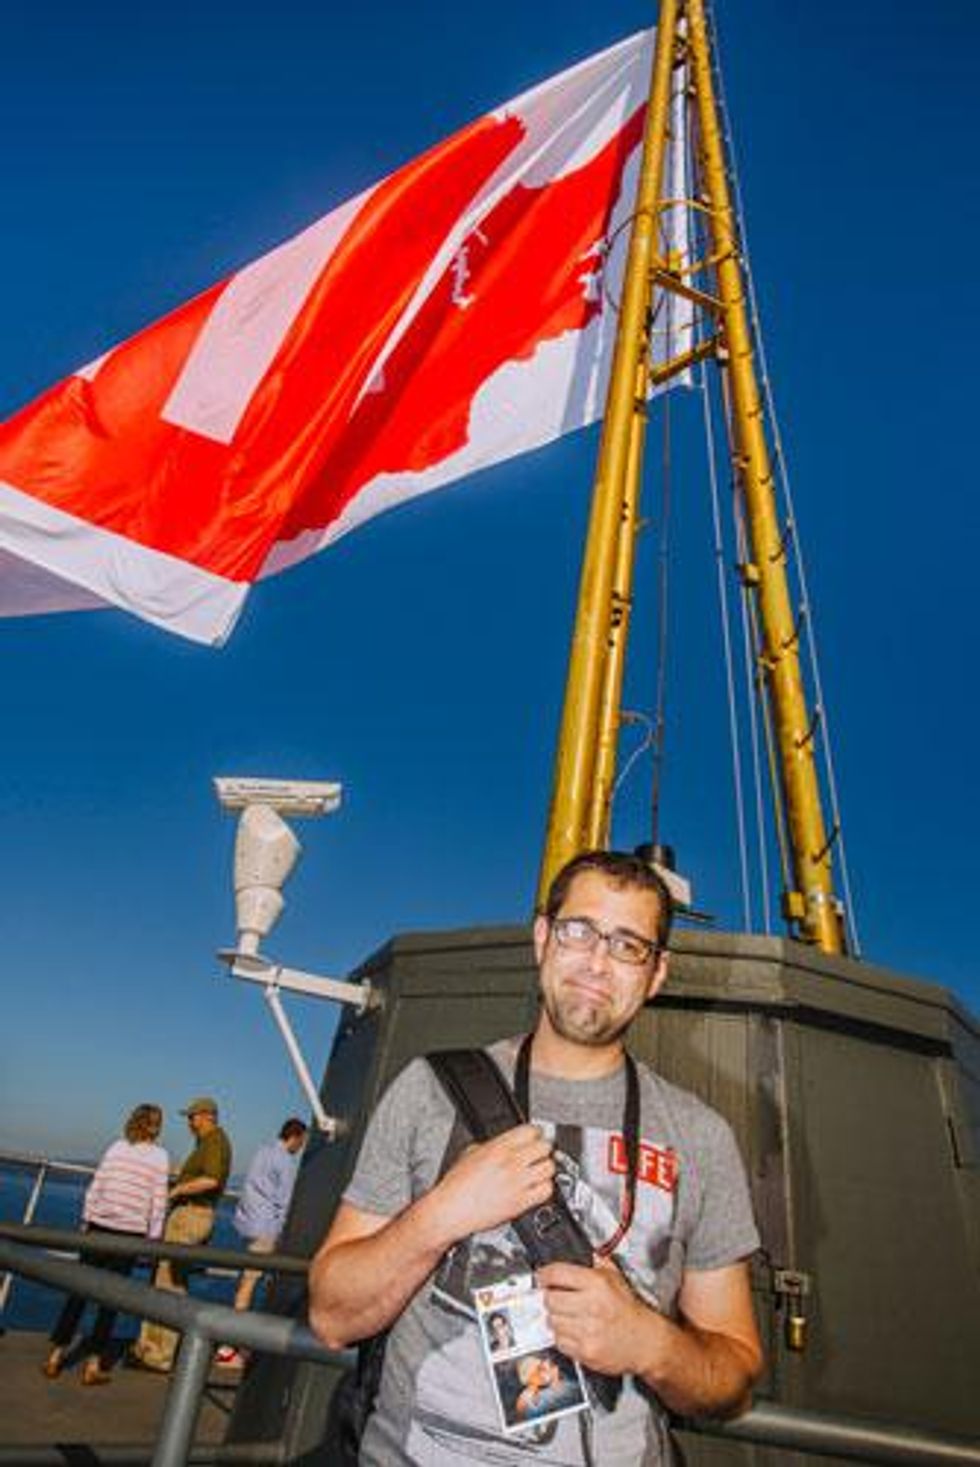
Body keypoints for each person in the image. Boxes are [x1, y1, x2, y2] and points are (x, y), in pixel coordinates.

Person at [309, 849, 764, 1464]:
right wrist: (441, 1214)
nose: (598, 962)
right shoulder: (428, 1089)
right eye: (579, 930)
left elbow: (734, 1376)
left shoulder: (702, 1137)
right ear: (543, 937)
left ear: (656, 973)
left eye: (629, 945)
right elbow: (332, 1314)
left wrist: (651, 1343)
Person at [42, 1103, 169, 1386]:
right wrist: (154, 1239)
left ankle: (55, 1356)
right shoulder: (160, 1157)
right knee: (110, 1300)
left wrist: (86, 1221)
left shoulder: (116, 1148)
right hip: (129, 1236)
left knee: (79, 1292)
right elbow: (159, 1201)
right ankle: (93, 1365)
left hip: (98, 1228)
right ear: (154, 1126)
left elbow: (96, 1186)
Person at [129, 1095, 232, 1374]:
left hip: (191, 1214)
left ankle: (159, 1355)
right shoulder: (207, 1143)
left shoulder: (214, 1142)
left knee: (170, 1284)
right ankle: (149, 1347)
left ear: (207, 1116)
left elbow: (210, 1179)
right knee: (165, 1279)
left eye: (192, 1116)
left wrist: (176, 1190)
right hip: (189, 1213)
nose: (189, 1122)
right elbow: (198, 1175)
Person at [213, 1116, 307, 1369]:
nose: (301, 1148)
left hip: (250, 1226)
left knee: (245, 1283)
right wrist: (283, 1234)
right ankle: (232, 1349)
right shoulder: (285, 1161)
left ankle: (236, 1347)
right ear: (296, 1137)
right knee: (249, 1288)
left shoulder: (261, 1153)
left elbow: (250, 1190)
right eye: (302, 1141)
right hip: (267, 1231)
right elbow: (284, 1202)